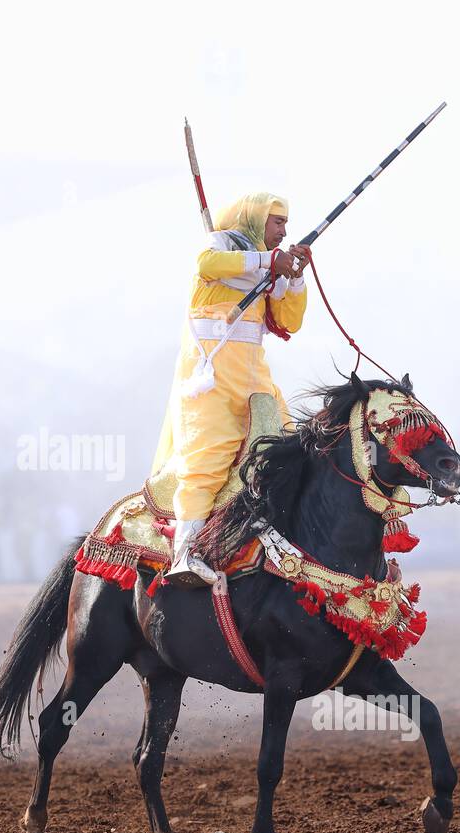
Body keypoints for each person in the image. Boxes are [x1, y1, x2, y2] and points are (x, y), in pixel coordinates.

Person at [152, 192, 310, 586]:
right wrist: (267, 262)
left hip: (255, 378)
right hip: (210, 377)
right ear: (257, 219)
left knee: (291, 449)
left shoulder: (271, 266)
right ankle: (184, 555)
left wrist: (295, 276)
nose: (284, 232)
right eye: (278, 223)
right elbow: (206, 264)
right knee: (207, 460)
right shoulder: (222, 245)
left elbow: (289, 322)